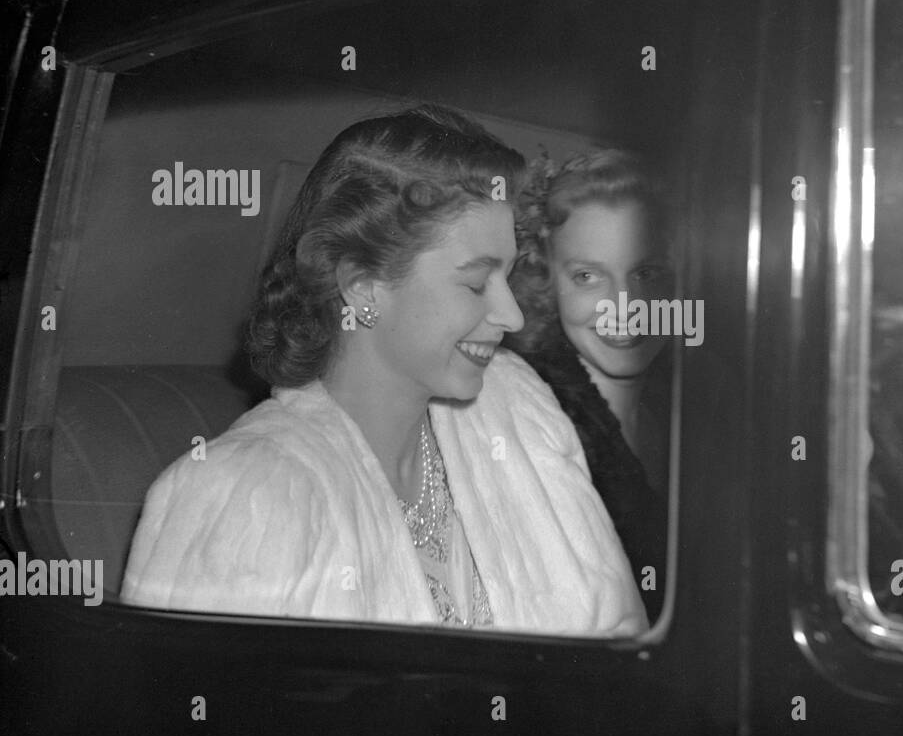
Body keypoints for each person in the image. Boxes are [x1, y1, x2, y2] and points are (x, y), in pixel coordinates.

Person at [121, 106, 647, 637]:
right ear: (364, 285)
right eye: (475, 282)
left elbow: (621, 633)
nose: (511, 315)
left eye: (507, 276)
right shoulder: (244, 494)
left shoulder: (514, 406)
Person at [506, 150, 673, 621]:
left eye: (645, 274)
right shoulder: (522, 425)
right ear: (545, 279)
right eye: (587, 277)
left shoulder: (706, 416)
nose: (624, 305)